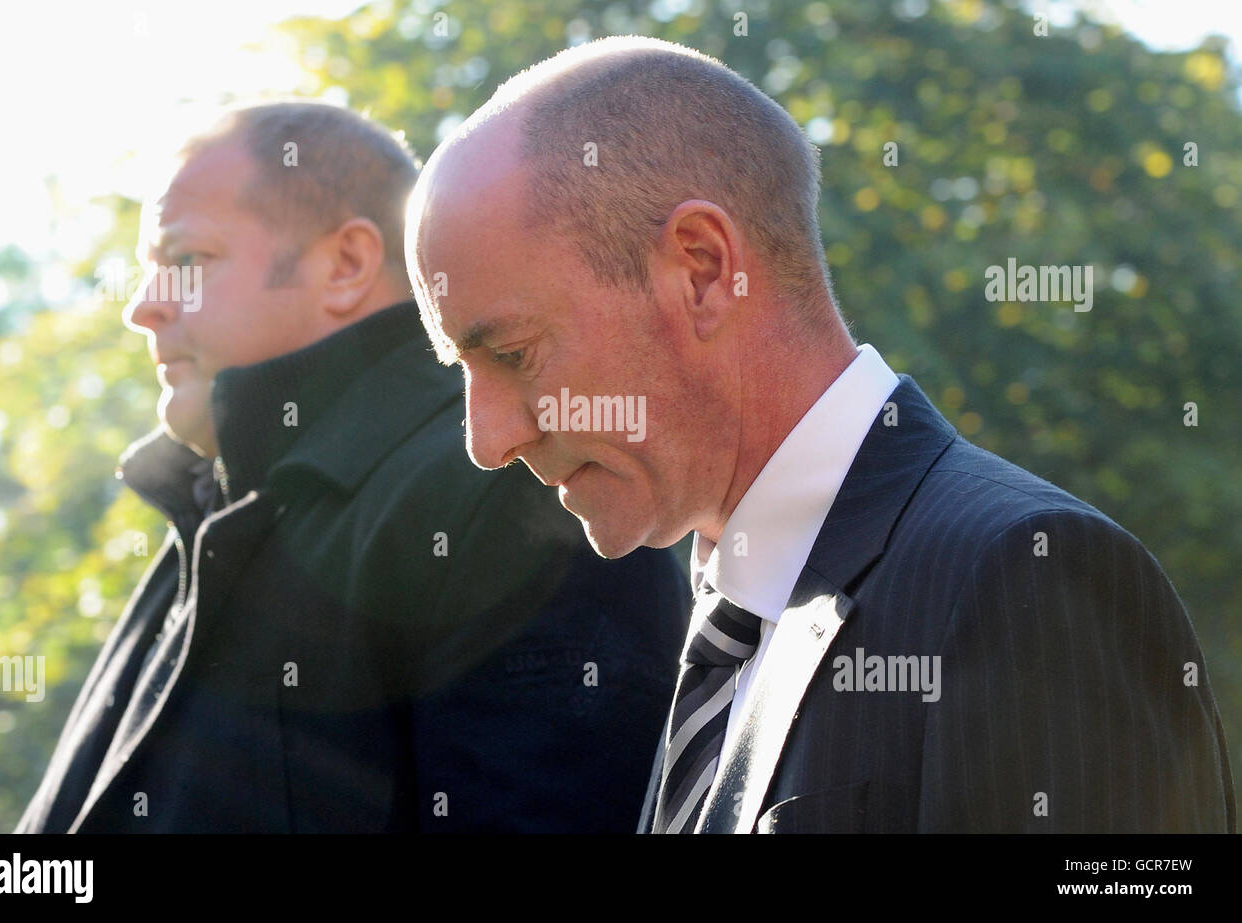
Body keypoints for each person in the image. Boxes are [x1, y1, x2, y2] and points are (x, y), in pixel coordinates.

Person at [404, 37, 1235, 833]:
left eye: (512, 353)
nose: (488, 439)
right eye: (461, 369)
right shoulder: (725, 624)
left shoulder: (1029, 581)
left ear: (700, 269)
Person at [16, 101, 689, 833]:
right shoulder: (213, 519)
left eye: (185, 261)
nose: (143, 307)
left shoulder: (506, 488)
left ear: (346, 265)